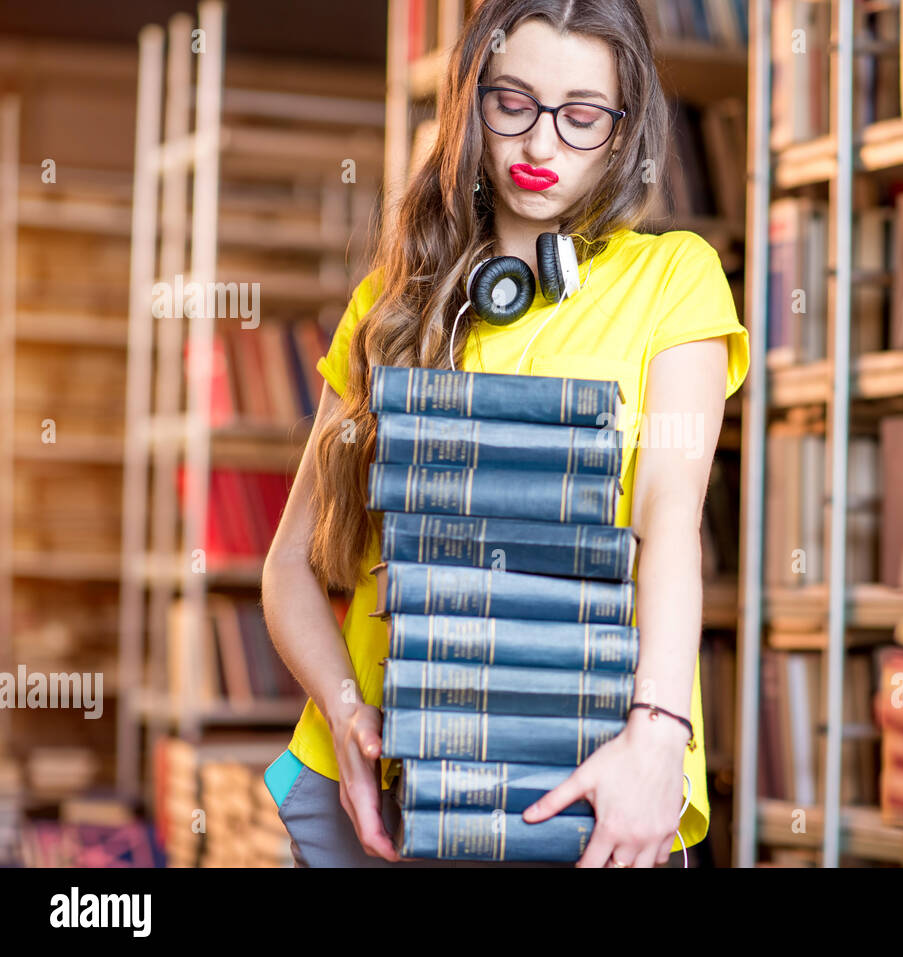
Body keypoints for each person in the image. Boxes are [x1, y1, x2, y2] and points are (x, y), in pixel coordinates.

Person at [260, 0, 750, 868]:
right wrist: (344, 712)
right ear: (469, 103)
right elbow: (289, 562)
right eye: (512, 103)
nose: (541, 144)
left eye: (582, 115)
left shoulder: (675, 278)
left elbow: (668, 524)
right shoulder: (393, 299)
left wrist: (658, 733)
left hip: (587, 775)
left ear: (622, 130)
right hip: (380, 790)